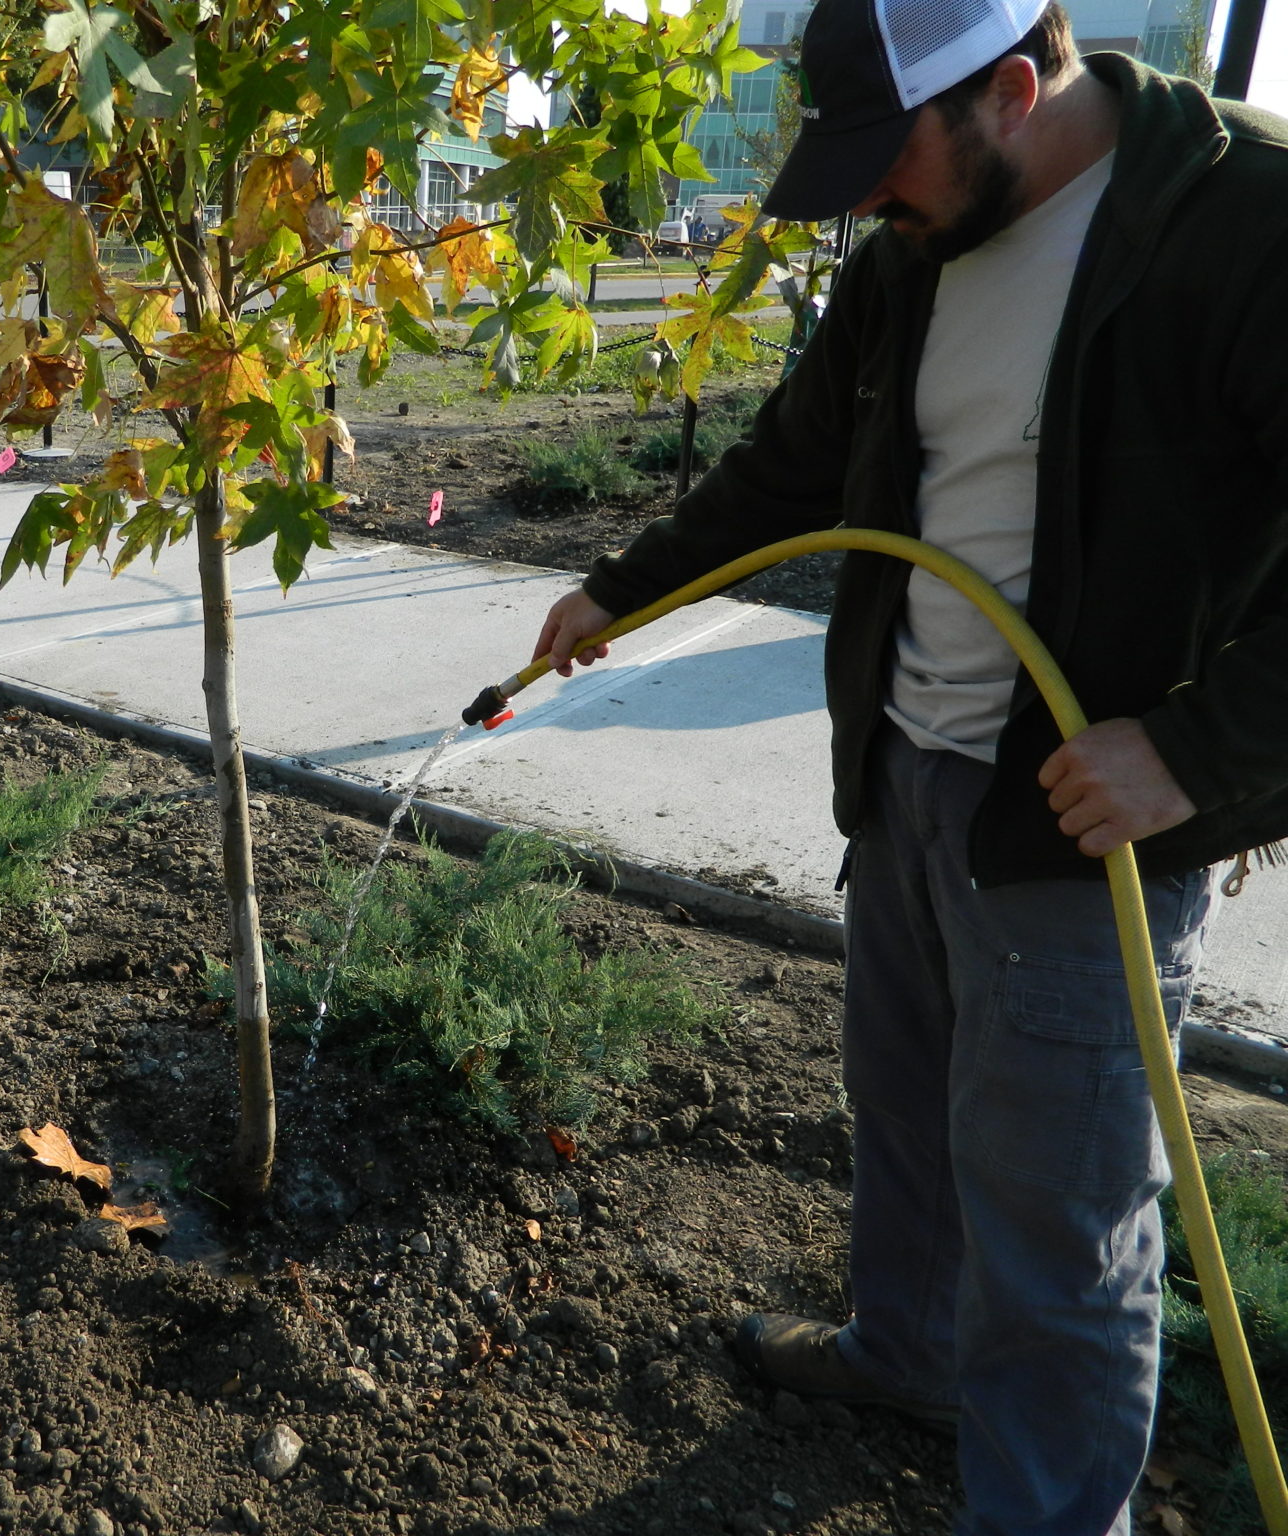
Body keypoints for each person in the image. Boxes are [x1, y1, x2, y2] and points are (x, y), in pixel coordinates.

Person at [532, 2, 1288, 1532]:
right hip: (905, 776)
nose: (872, 199)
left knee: (1061, 1231)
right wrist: (625, 585)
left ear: (1014, 91)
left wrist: (1193, 752)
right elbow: (795, 459)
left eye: (892, 163)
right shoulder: (910, 259)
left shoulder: (1244, 221)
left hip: (1082, 825)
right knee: (906, 1112)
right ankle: (915, 1354)